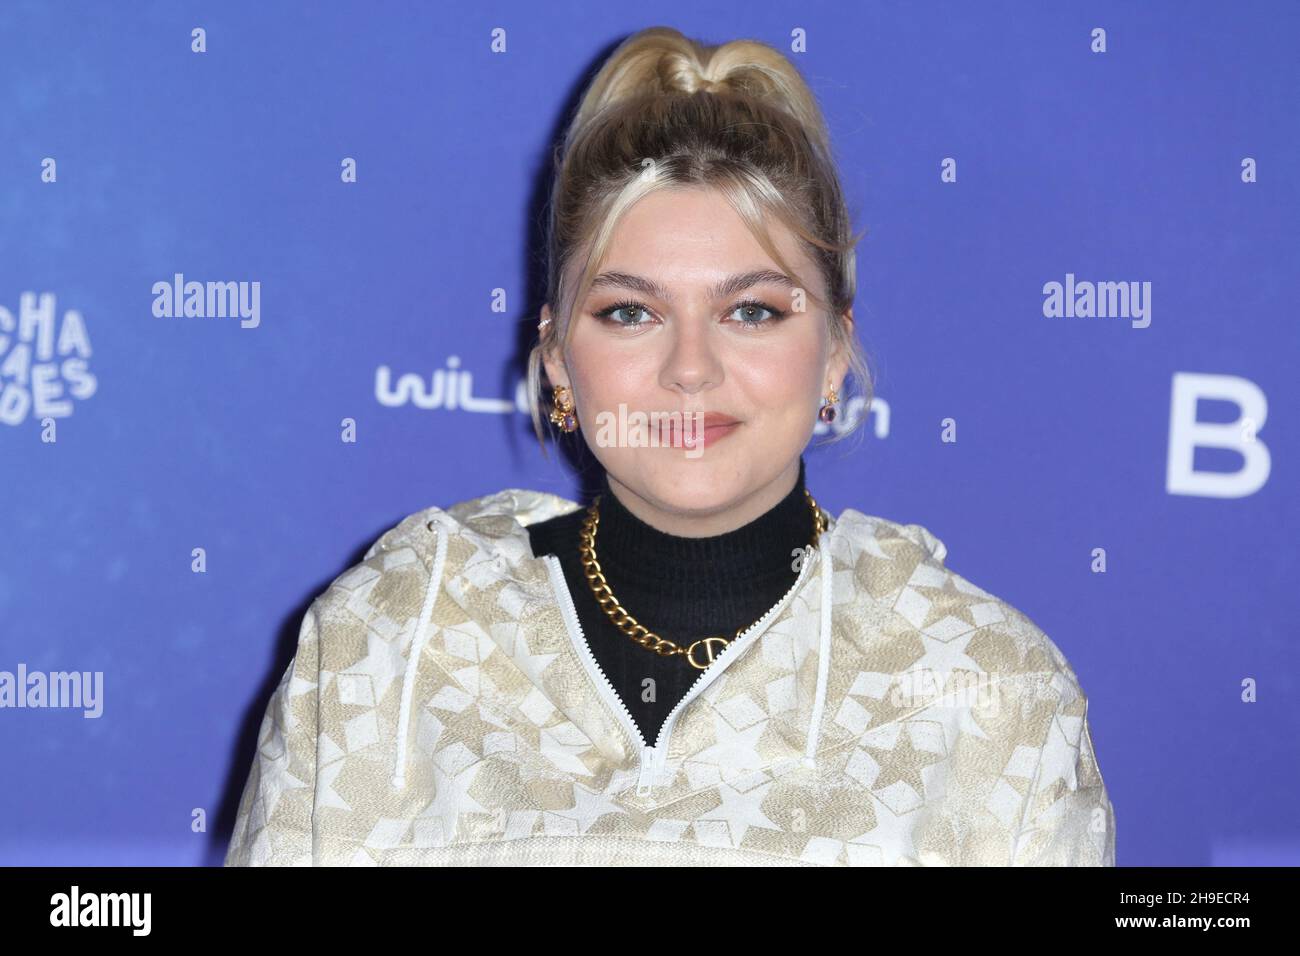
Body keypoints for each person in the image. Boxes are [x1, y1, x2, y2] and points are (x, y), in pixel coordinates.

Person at [224, 26, 1115, 866]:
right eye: (630, 312)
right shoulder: (392, 639)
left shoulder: (988, 689)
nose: (691, 368)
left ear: (836, 351)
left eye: (752, 310)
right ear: (556, 356)